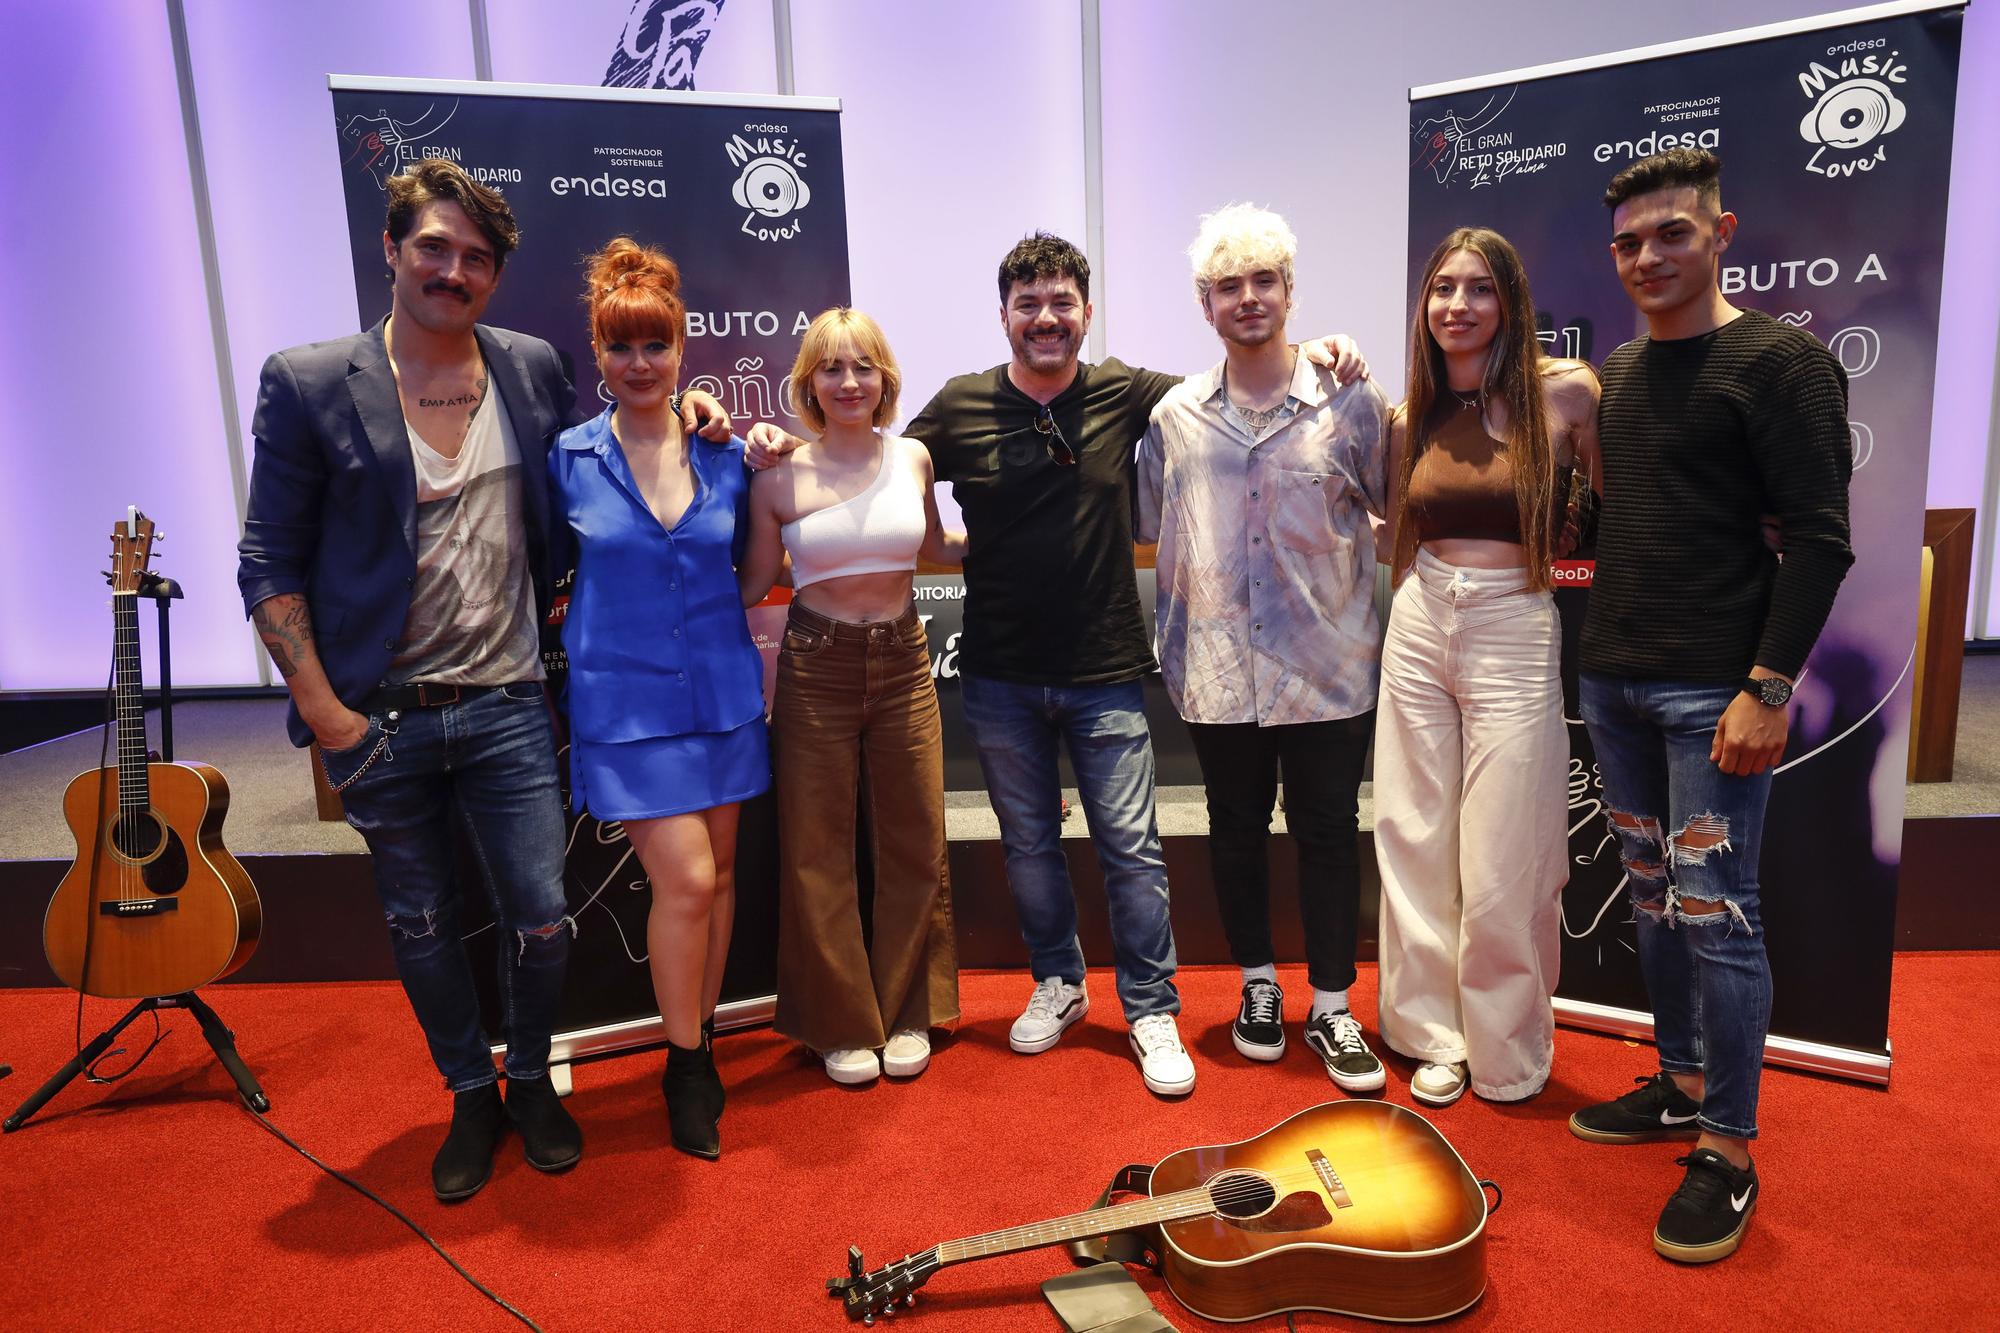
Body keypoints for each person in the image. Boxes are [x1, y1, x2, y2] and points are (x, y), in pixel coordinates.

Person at [756, 233, 1365, 1096]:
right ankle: (1059, 980)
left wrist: (1318, 351)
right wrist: (777, 447)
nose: (1046, 318)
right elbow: (871, 460)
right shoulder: (958, 406)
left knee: (1132, 849)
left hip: (1105, 667)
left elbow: (1237, 379)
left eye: (1061, 303)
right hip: (999, 671)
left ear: (1086, 312)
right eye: (1028, 304)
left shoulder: (1132, 391)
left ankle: (1150, 1006)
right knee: (1030, 846)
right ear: (1004, 315)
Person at [236, 162, 724, 1200]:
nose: (452, 271)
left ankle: (530, 1081)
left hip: (508, 702)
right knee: (419, 923)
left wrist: (699, 412)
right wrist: (326, 715)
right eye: (433, 247)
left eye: (474, 257)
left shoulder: (531, 369)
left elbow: (614, 455)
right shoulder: (310, 381)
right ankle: (469, 1093)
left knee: (542, 916)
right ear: (390, 250)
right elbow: (267, 558)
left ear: (496, 275)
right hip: (378, 716)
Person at [1568, 149, 1853, 1264]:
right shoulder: (1621, 370)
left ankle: (1727, 1149)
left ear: (1720, 233)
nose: (1647, 256)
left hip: (1713, 692)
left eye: (1670, 234)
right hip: (1614, 681)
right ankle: (1680, 1084)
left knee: (1718, 916)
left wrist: (1766, 688)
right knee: (1652, 901)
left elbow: (1819, 541)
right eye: (1628, 243)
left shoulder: (1782, 363)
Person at [1136, 204, 1390, 1093]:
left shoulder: (1352, 402)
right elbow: (1151, 524)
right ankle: (1255, 985)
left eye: (1264, 281)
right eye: (1228, 286)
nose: (1248, 297)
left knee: (1329, 831)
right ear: (1204, 303)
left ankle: (1332, 1005)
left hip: (1329, 665)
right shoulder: (1174, 416)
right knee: (1235, 828)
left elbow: (1394, 508)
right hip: (1216, 667)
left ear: (1290, 291)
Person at [1372, 226, 1600, 1109]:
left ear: (1510, 300)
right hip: (1422, 616)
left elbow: (1617, 508)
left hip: (1515, 621)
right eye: (1442, 289)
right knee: (1414, 834)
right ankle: (1430, 1034)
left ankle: (1505, 1049)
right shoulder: (1410, 415)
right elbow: (1398, 537)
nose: (1457, 306)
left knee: (1509, 850)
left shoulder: (1567, 392)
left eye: (1478, 288)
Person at [549, 237, 763, 1161]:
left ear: (682, 349)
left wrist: (769, 448)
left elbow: (755, 569)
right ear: (597, 352)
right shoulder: (567, 459)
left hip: (722, 695)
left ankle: (700, 1043)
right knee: (688, 881)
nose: (639, 364)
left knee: (721, 881)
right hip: (625, 708)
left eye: (656, 346)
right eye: (620, 346)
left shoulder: (726, 453)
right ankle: (681, 1066)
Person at [737, 308, 965, 1086]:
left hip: (904, 661)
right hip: (814, 666)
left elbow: (938, 546)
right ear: (809, 383)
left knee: (914, 838)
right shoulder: (777, 477)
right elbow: (751, 582)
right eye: (831, 368)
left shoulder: (913, 458)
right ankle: (837, 1022)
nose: (849, 381)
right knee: (816, 848)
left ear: (885, 378)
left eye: (863, 365)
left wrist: (1029, 524)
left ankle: (908, 1010)